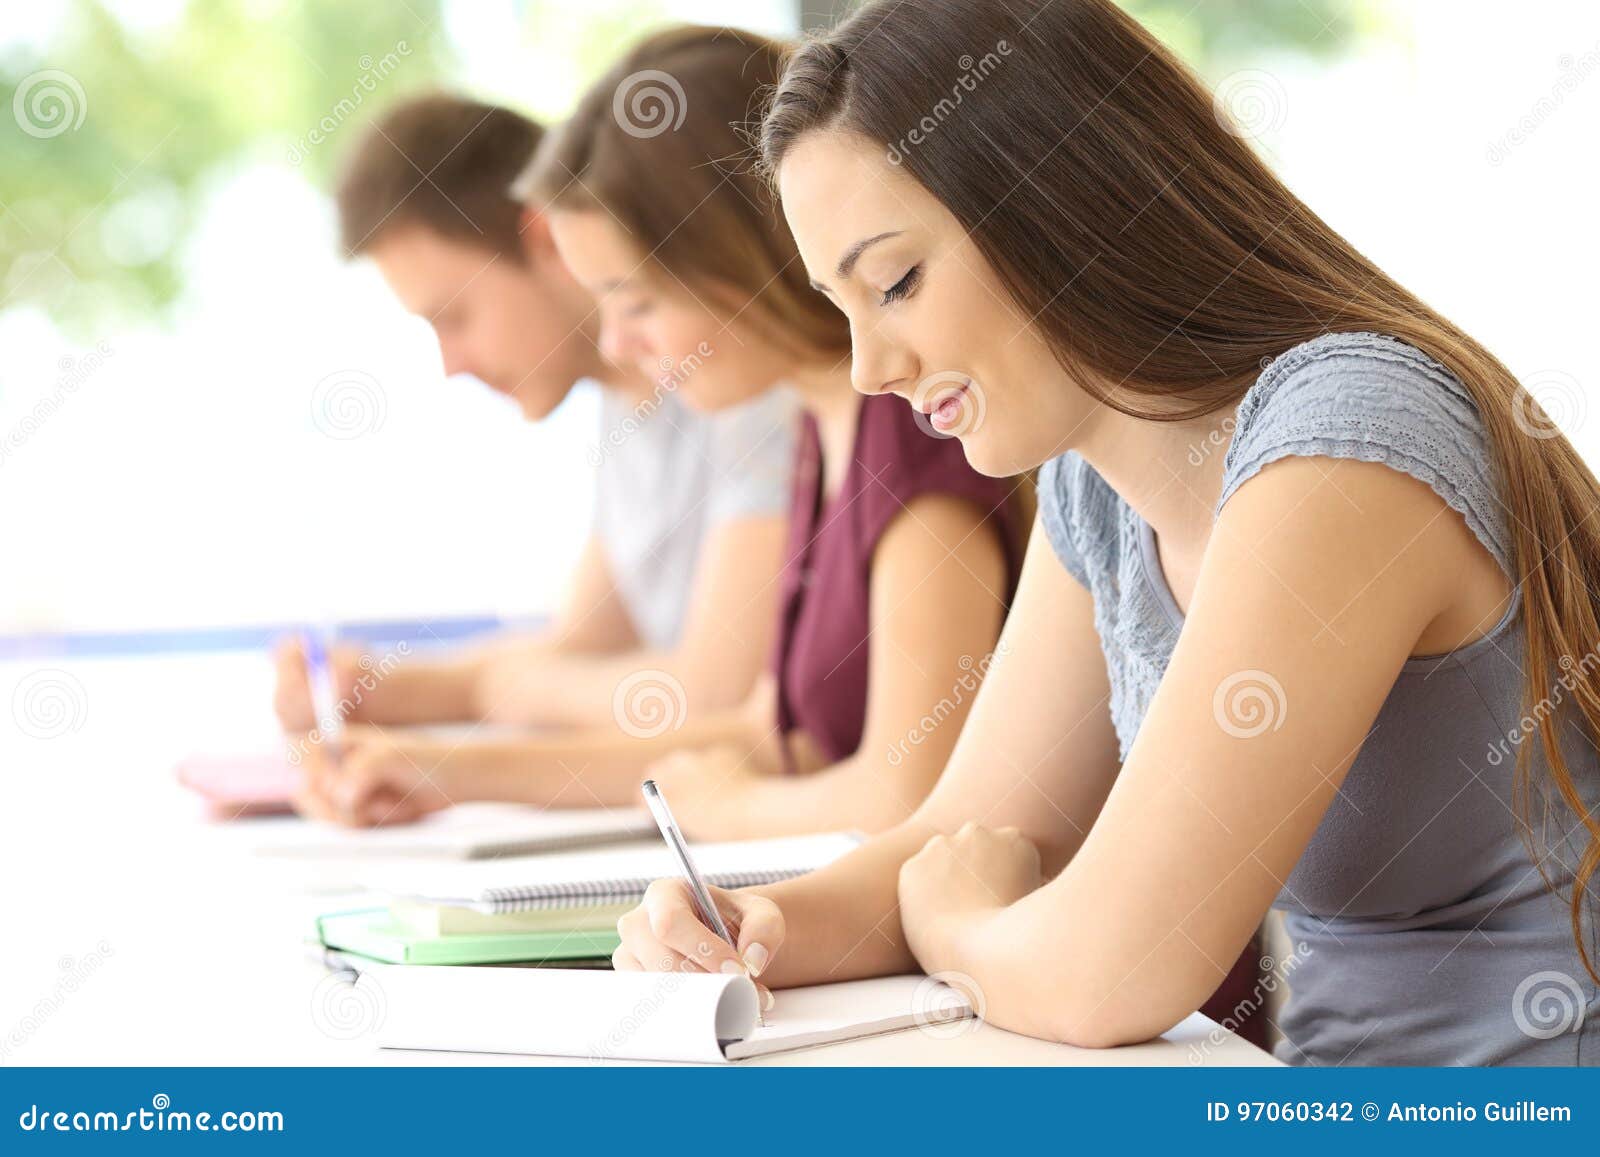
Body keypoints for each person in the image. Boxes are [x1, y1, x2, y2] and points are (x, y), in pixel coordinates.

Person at [612, 0, 1600, 1066]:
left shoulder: (1343, 440)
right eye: (843, 306)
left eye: (895, 282)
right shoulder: (1096, 482)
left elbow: (1111, 973)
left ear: (1065, 201)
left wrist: (953, 925)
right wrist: (756, 925)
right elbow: (978, 836)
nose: (869, 368)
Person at [294, 27, 1028, 847]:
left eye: (637, 301)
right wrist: (446, 773)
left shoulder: (903, 433)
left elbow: (903, 792)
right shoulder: (822, 433)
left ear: (735, 259)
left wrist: (719, 810)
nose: (616, 343)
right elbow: (770, 735)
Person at [273, 93, 797, 757]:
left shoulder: (741, 382)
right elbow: (585, 642)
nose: (450, 365)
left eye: (454, 317)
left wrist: (501, 691)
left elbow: (711, 693)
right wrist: (370, 689)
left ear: (544, 236)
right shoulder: (625, 408)